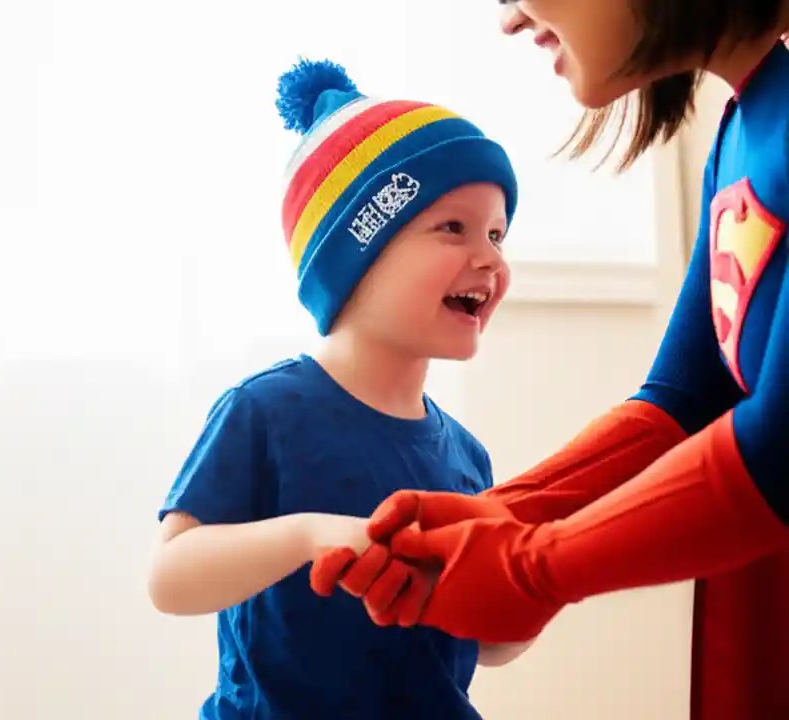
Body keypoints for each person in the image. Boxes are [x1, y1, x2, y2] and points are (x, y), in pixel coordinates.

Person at [309, 2, 789, 717]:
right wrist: (497, 517)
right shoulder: (744, 127)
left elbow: (778, 452)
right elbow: (685, 403)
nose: (509, 17)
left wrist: (534, 566)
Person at [147, 57, 529, 719]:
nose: (492, 257)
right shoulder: (266, 411)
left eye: (497, 234)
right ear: (357, 257)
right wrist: (305, 536)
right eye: (454, 228)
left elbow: (485, 643)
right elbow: (170, 578)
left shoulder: (467, 457)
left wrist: (531, 589)